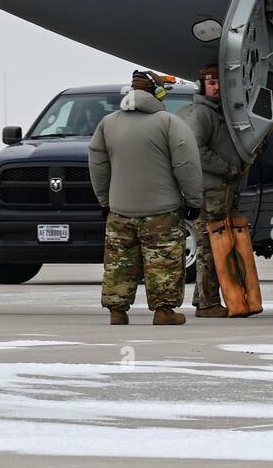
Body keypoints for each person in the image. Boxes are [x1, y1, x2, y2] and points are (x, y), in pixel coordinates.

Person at [88, 70, 202, 325]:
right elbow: (186, 165)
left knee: (119, 263)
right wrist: (194, 201)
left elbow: (98, 165)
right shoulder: (169, 123)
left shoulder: (108, 123)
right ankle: (164, 311)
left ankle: (117, 312)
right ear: (157, 93)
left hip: (120, 211)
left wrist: (105, 201)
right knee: (163, 262)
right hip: (161, 212)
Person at [178, 63, 245, 318]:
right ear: (202, 85)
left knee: (216, 246)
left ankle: (203, 300)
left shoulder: (218, 114)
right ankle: (208, 304)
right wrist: (227, 168)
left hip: (220, 192)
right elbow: (196, 149)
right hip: (209, 192)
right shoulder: (201, 114)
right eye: (212, 83)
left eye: (219, 83)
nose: (216, 88)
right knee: (210, 247)